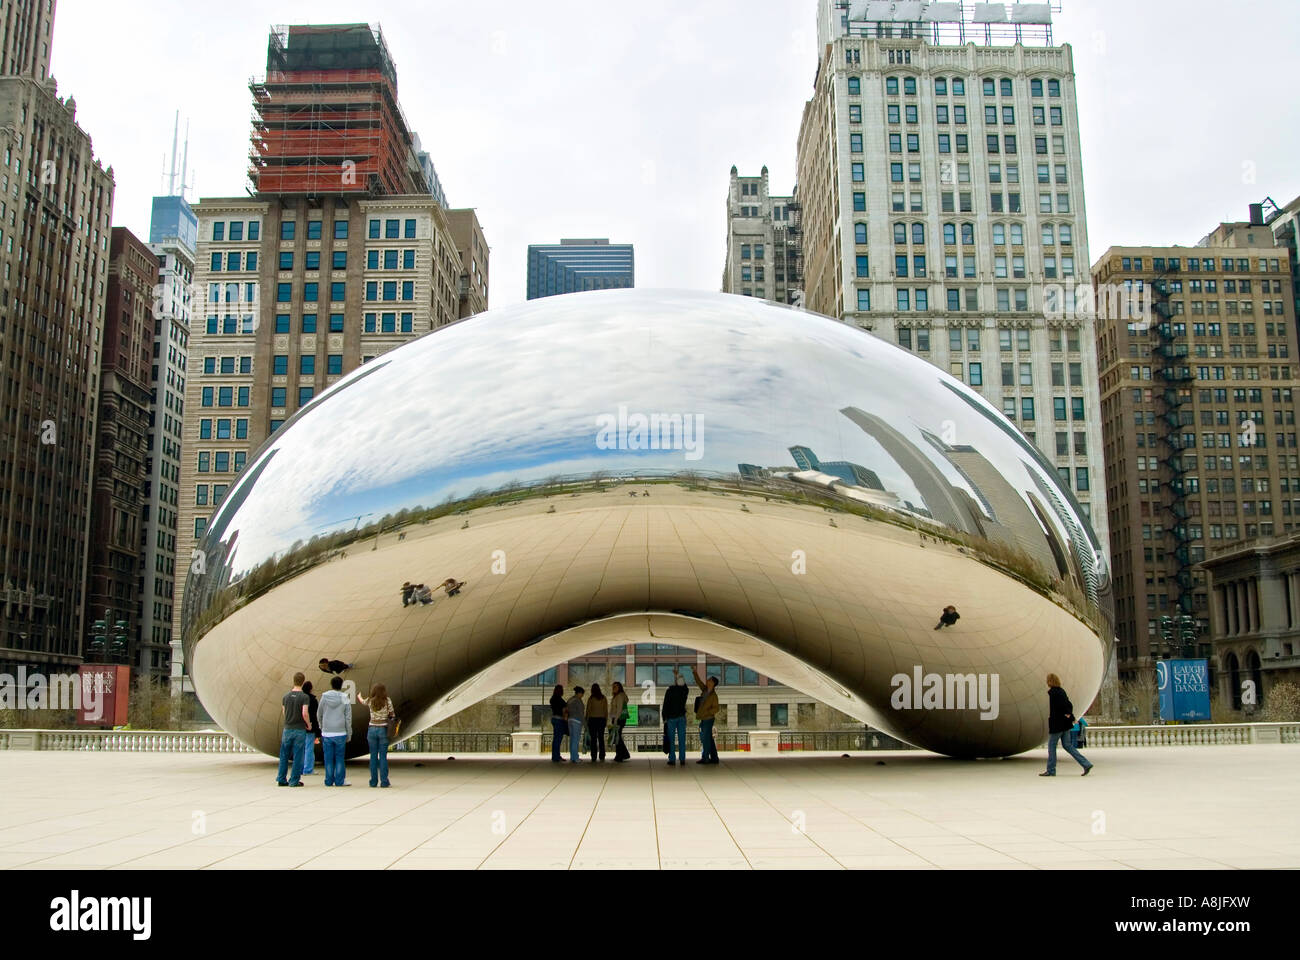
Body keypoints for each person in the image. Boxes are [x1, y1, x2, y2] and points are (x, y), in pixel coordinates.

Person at [1041, 673, 1093, 777]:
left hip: (1057, 725)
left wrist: (1065, 715)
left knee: (1052, 746)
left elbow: (1061, 707)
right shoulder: (1062, 691)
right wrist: (1071, 716)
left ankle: (1051, 770)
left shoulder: (1053, 693)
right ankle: (1086, 764)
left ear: (1050, 681)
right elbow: (1069, 705)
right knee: (1068, 746)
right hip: (1065, 724)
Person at [276, 672, 311, 787]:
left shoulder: (285, 697)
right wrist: (308, 724)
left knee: (284, 755)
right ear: (303, 681)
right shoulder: (304, 697)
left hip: (288, 728)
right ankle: (294, 780)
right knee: (298, 756)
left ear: (293, 681)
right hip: (299, 729)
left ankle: (281, 778)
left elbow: (284, 712)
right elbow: (304, 713)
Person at [358, 683, 396, 787]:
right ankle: (384, 781)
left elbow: (362, 702)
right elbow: (392, 714)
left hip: (372, 729)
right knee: (383, 756)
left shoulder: (370, 700)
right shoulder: (387, 700)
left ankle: (373, 781)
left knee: (373, 756)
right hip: (383, 729)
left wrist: (359, 696)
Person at [318, 675, 352, 786]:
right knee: (339, 758)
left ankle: (328, 781)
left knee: (328, 758)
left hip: (327, 732)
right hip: (340, 732)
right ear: (341, 685)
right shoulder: (345, 697)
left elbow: (319, 713)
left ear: (331, 685)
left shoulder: (324, 696)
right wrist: (349, 732)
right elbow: (348, 717)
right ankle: (339, 781)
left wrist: (321, 726)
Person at [691, 665, 721, 765]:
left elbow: (716, 708)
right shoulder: (705, 690)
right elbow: (699, 682)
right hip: (703, 718)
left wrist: (708, 712)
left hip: (708, 719)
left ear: (712, 683)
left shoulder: (713, 696)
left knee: (705, 739)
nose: (707, 680)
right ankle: (714, 758)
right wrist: (695, 672)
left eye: (709, 680)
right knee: (709, 739)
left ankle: (705, 758)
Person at [662, 669, 688, 766]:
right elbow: (683, 684)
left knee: (671, 739)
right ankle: (682, 759)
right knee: (682, 739)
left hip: (671, 718)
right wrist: (678, 675)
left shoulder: (670, 691)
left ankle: (672, 759)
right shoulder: (684, 691)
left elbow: (665, 705)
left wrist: (664, 718)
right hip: (681, 717)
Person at [300, 681, 321, 774]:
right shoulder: (312, 700)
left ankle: (299, 768)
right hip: (309, 727)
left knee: (300, 749)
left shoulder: (299, 698)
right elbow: (315, 715)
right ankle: (308, 769)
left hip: (298, 727)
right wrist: (316, 729)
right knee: (309, 749)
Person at [609, 681, 630, 762]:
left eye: (616, 686)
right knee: (618, 737)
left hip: (619, 718)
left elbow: (619, 709)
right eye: (613, 686)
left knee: (617, 737)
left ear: (620, 687)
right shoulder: (617, 696)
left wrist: (615, 720)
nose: (614, 688)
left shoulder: (620, 696)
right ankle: (622, 754)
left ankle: (621, 755)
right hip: (618, 718)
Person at [587, 683, 608, 762]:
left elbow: (588, 710)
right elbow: (606, 710)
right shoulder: (603, 698)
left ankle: (593, 756)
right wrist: (605, 720)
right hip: (601, 720)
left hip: (592, 720)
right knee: (601, 738)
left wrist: (587, 720)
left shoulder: (591, 698)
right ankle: (602, 755)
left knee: (593, 739)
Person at [566, 686, 586, 763]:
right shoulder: (578, 701)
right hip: (577, 721)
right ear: (579, 693)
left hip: (570, 720)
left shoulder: (570, 700)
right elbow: (581, 713)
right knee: (576, 740)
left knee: (572, 739)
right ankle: (576, 758)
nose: (582, 696)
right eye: (582, 694)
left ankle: (572, 757)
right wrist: (585, 724)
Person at [549, 684, 568, 763]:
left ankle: (555, 755)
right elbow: (564, 710)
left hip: (554, 718)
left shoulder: (552, 699)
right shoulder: (560, 700)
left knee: (555, 738)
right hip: (559, 720)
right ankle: (556, 757)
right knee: (558, 739)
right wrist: (565, 719)